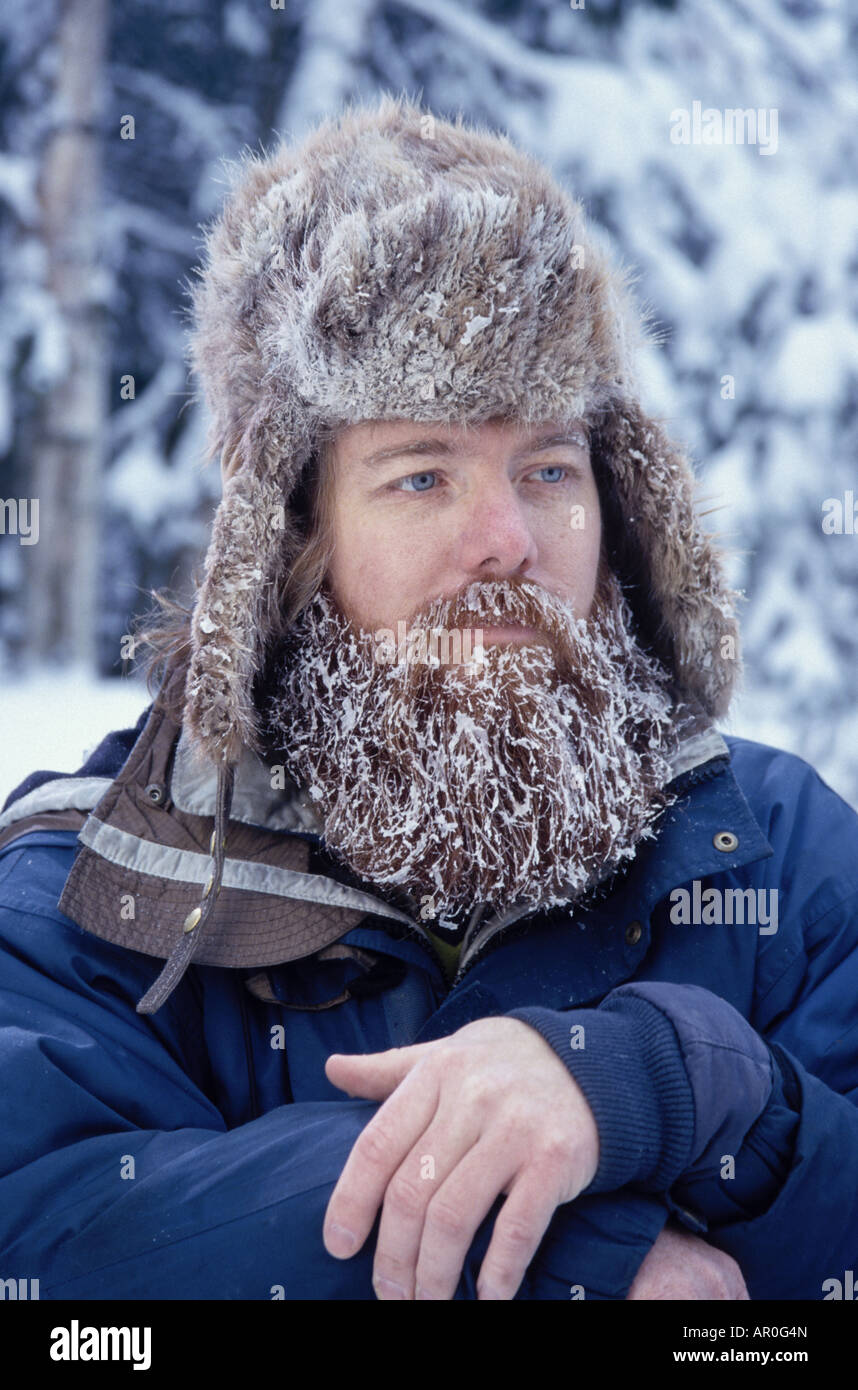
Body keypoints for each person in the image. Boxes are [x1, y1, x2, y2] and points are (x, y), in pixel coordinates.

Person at [1, 95, 856, 1302]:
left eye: (548, 467)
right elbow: (56, 1249)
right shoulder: (95, 886)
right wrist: (556, 1250)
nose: (507, 539)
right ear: (289, 538)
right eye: (420, 475)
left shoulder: (779, 851)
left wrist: (673, 1081)